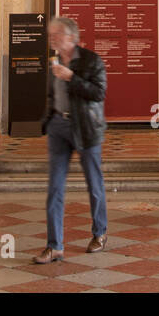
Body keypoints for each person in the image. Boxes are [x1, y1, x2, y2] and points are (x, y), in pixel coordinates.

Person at [34, 16, 108, 264]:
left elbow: (99, 93)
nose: (52, 38)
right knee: (55, 186)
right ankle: (55, 246)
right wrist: (48, 117)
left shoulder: (91, 60)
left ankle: (100, 233)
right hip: (58, 127)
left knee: (93, 184)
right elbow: (49, 93)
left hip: (85, 128)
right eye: (50, 34)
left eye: (57, 34)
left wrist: (71, 78)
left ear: (72, 37)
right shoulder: (53, 60)